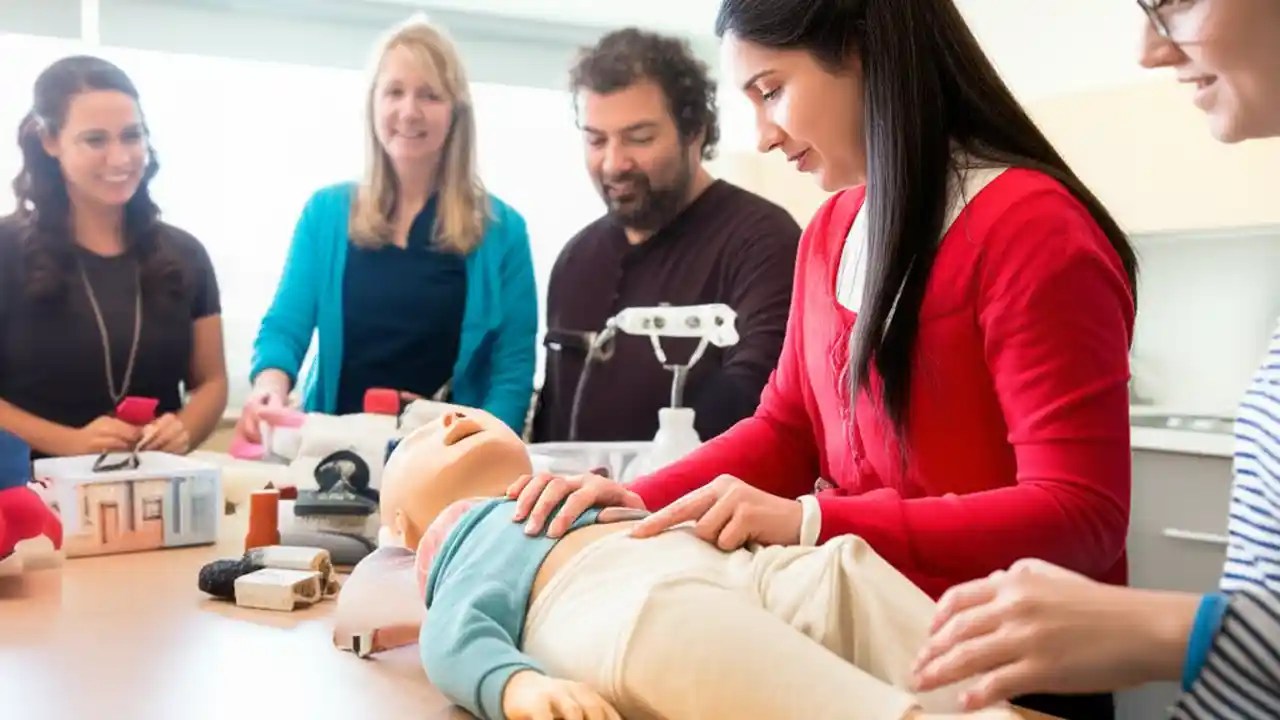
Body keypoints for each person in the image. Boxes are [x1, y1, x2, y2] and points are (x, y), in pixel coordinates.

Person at [509, 1, 1139, 718]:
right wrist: (639, 500)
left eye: (772, 91)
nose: (764, 135)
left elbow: (1081, 518)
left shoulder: (1032, 229)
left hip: (1006, 680)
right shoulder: (832, 232)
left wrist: (813, 521)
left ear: (864, 54)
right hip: (860, 663)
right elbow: (786, 429)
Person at [911, 2, 1280, 718]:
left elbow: (1076, 506)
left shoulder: (1031, 223)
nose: (1150, 50)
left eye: (1172, 2)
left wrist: (1178, 631)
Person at [353, 405, 1020, 720]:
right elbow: (450, 642)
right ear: (409, 529)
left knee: (840, 568)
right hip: (620, 606)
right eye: (418, 437)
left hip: (730, 571)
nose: (446, 421)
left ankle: (981, 706)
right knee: (690, 627)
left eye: (459, 412)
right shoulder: (463, 540)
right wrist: (518, 688)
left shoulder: (583, 491)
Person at [241, 17, 537, 439]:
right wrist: (270, 385)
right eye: (394, 92)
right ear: (373, 104)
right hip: (333, 450)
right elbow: (285, 326)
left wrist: (483, 452)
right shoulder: (325, 214)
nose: (409, 111)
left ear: (456, 112)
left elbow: (511, 373)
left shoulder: (502, 231)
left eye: (430, 95)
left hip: (445, 461)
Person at [530, 28, 802, 445]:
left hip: (705, 504)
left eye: (639, 138)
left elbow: (761, 407)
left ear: (694, 132)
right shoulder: (576, 259)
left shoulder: (762, 243)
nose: (614, 163)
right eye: (596, 140)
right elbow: (555, 416)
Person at [0, 56, 227, 459]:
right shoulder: (5, 249)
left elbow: (211, 381)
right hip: (27, 501)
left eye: (131, 136)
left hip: (151, 495)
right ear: (50, 142)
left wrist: (184, 431)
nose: (121, 158)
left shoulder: (185, 255)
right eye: (95, 140)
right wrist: (67, 442)